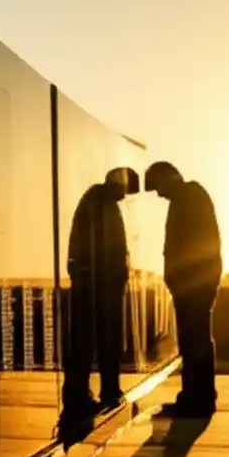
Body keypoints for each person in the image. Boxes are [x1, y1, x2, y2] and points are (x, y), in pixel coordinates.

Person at [144, 161, 222, 417]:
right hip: (193, 283)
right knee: (193, 340)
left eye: (158, 187)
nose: (158, 194)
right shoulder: (189, 196)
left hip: (194, 285)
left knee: (194, 340)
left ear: (167, 179)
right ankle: (196, 395)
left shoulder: (188, 197)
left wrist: (187, 279)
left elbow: (192, 245)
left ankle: (198, 397)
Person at [62, 167, 137, 422]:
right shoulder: (99, 202)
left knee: (99, 340)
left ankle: (99, 392)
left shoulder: (99, 200)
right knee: (90, 341)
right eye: (125, 188)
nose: (125, 195)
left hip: (101, 284)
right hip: (97, 286)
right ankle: (81, 395)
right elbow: (98, 247)